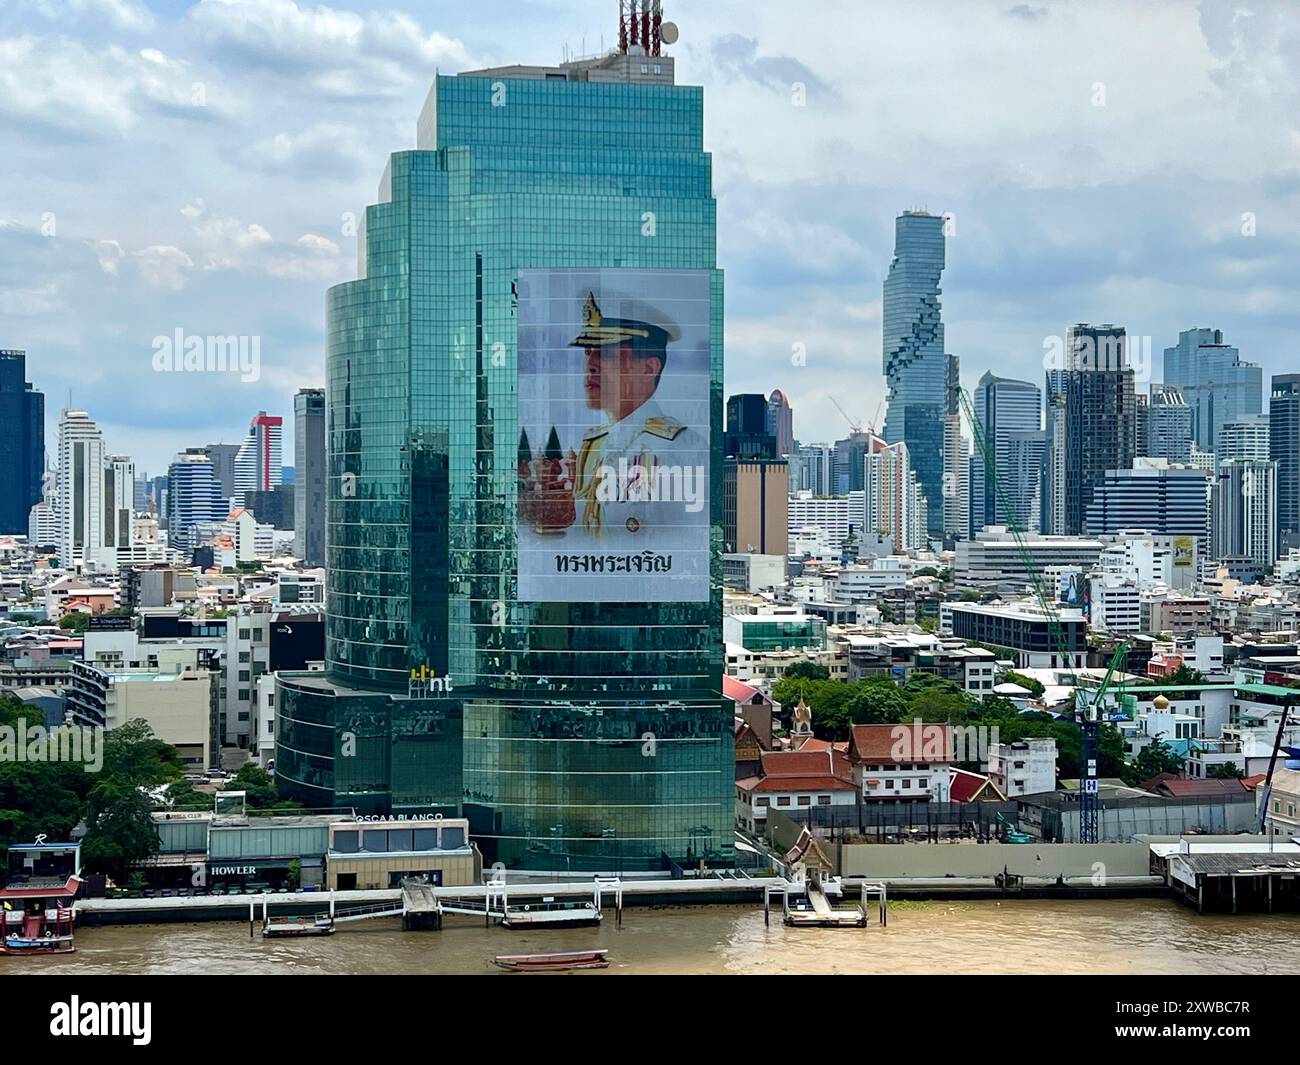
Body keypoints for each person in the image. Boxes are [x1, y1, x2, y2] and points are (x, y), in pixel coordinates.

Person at [567, 291, 707, 547]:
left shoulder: (681, 446)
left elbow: (688, 545)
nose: (591, 365)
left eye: (607, 354)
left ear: (648, 368)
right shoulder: (592, 444)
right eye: (588, 353)